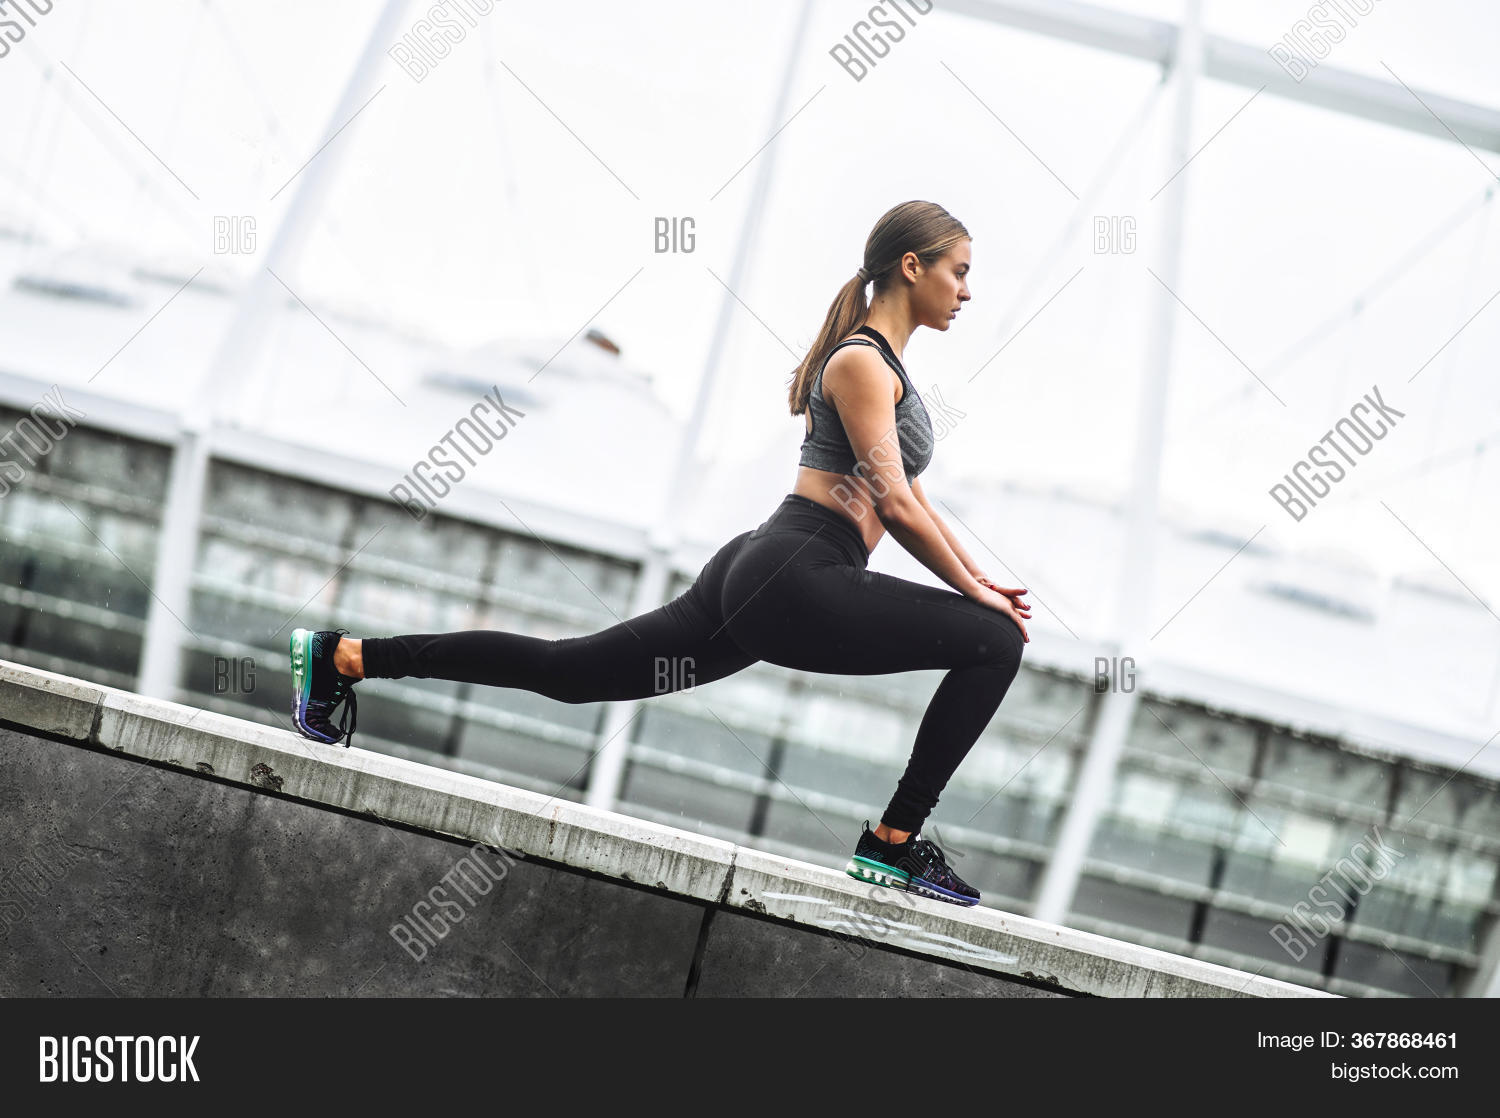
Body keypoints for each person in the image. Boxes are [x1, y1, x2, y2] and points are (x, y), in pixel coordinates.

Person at [290, 200, 1030, 906]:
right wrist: (981, 596)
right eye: (958, 271)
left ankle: (346, 658)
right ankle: (895, 840)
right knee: (994, 641)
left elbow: (912, 494)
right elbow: (894, 504)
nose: (966, 290)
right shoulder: (861, 362)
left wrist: (978, 580)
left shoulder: (890, 368)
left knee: (569, 672)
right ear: (911, 265)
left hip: (773, 571)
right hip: (795, 570)